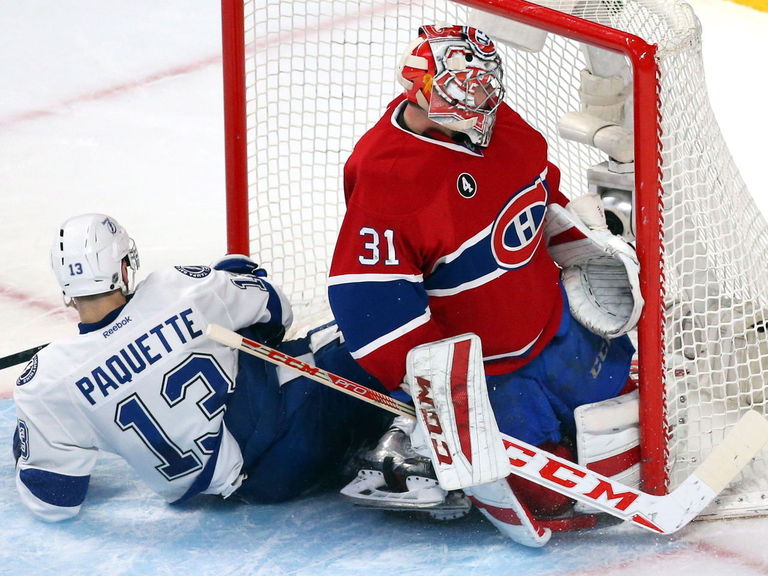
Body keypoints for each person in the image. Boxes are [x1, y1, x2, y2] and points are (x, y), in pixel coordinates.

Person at [328, 25, 641, 546]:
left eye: (483, 84)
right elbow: (369, 301)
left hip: (555, 327)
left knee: (636, 426)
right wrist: (438, 395)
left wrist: (580, 233)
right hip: (488, 374)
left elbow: (538, 189)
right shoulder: (388, 177)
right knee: (548, 495)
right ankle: (413, 442)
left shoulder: (500, 125)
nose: (477, 100)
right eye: (461, 87)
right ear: (421, 87)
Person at [12, 213, 390, 522]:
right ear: (123, 270)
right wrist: (235, 278)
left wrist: (33, 438)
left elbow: (55, 500)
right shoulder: (178, 288)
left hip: (263, 488)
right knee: (381, 328)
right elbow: (277, 313)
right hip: (302, 428)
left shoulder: (47, 383)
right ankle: (411, 436)